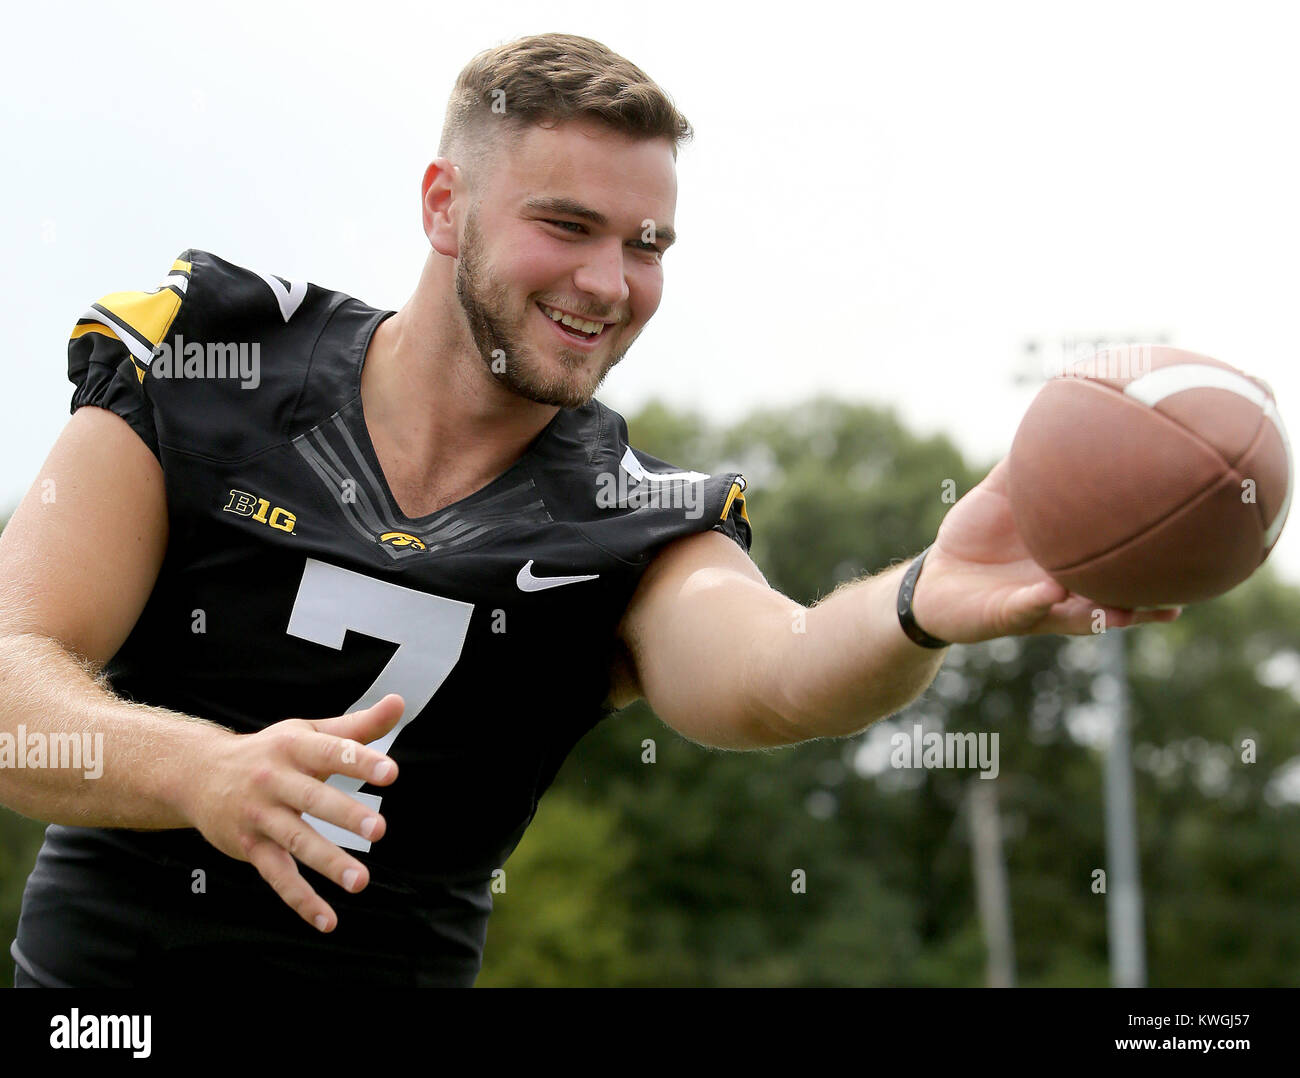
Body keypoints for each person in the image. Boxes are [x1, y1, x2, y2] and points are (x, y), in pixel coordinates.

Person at [0, 32, 1178, 988]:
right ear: (442, 205)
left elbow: (777, 671)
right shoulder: (216, 353)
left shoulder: (634, 516)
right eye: (566, 226)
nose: (610, 283)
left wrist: (919, 602)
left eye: (647, 244)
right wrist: (204, 773)